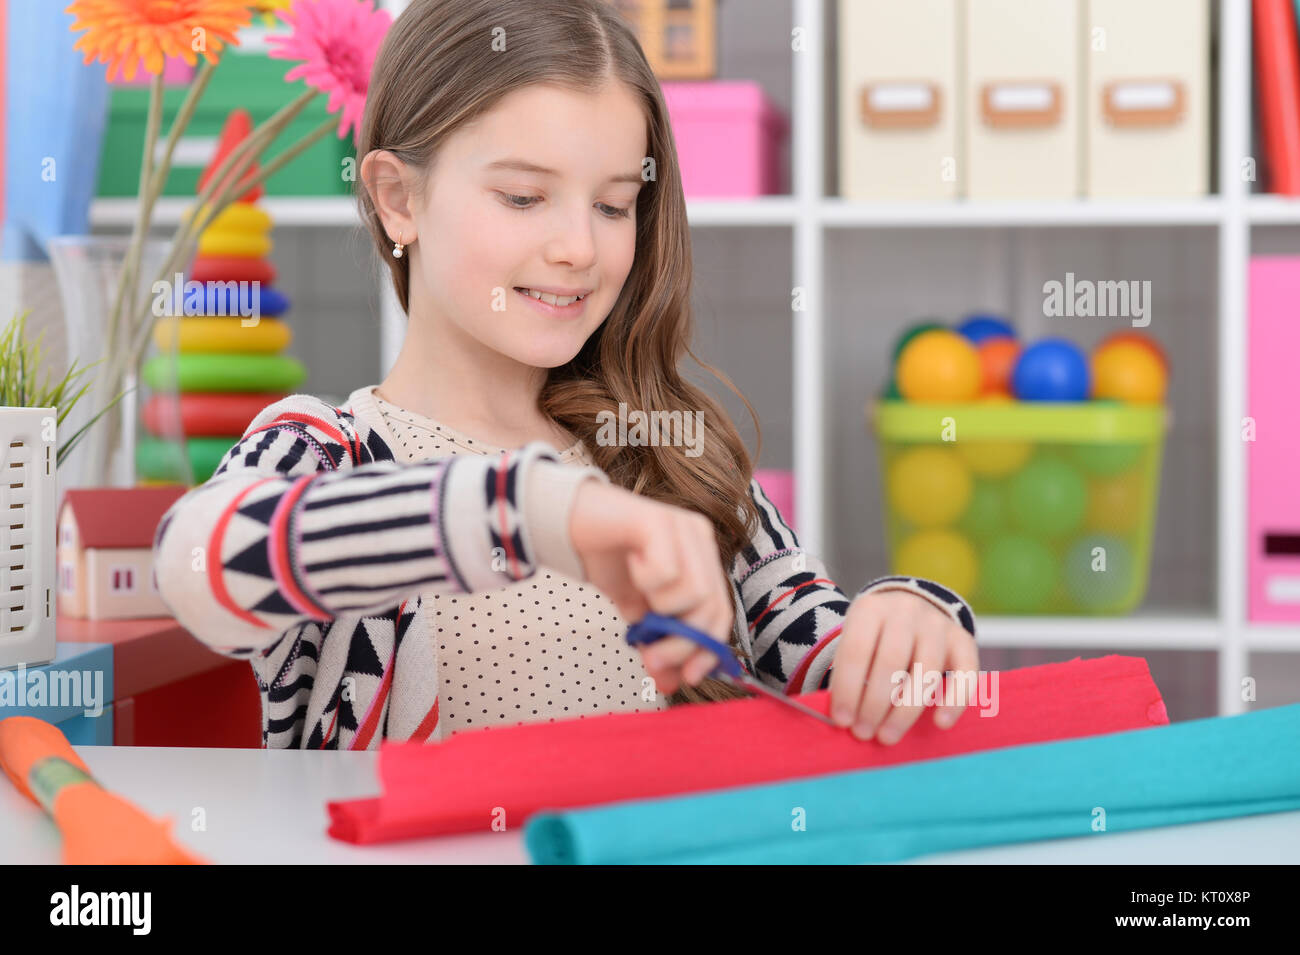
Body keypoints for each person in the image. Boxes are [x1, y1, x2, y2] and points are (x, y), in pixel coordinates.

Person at [152, 0, 978, 750]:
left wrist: (909, 620)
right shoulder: (331, 452)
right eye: (522, 197)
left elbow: (832, 663)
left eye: (615, 205)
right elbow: (194, 562)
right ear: (397, 198)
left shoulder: (666, 457)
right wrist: (530, 509)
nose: (580, 247)